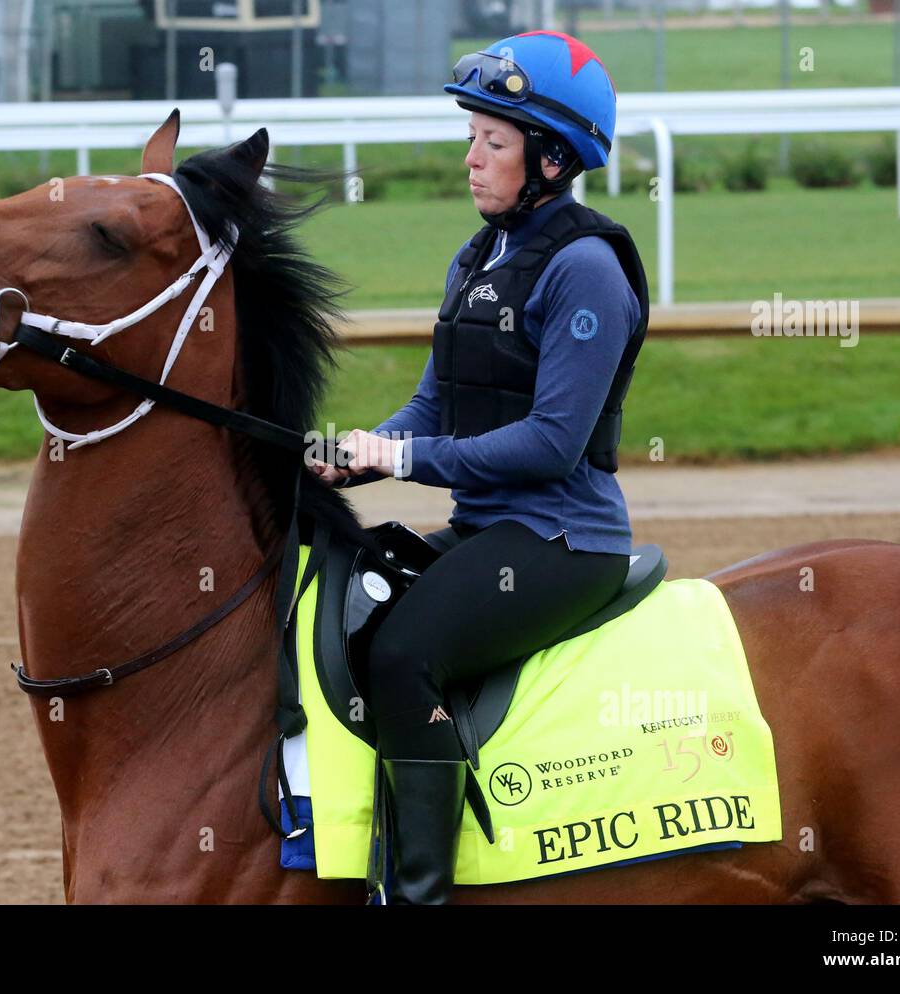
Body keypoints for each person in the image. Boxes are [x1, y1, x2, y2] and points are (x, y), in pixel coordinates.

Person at [308, 31, 650, 904]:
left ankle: (419, 893)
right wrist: (349, 456)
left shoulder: (586, 269)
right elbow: (434, 407)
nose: (472, 158)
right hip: (489, 527)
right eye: (472, 136)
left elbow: (550, 444)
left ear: (551, 158)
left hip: (562, 539)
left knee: (404, 654)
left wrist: (406, 459)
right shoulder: (480, 256)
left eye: (493, 142)